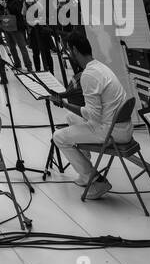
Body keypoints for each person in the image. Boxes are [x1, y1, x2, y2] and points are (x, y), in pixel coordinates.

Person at [50, 32, 132, 199]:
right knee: (70, 118)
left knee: (58, 137)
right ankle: (85, 169)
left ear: (74, 50)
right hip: (122, 126)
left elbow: (93, 117)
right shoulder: (99, 66)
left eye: (68, 50)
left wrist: (65, 103)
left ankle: (95, 180)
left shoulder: (89, 75)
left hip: (111, 132)